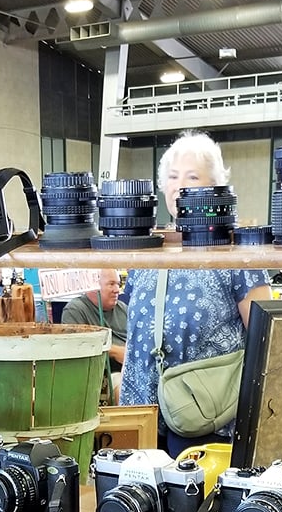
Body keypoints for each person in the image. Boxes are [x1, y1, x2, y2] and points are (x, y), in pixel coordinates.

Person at [119, 131, 271, 455]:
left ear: (214, 185)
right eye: (172, 177)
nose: (179, 185)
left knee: (197, 502)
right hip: (142, 413)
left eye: (192, 176)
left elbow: (266, 340)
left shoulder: (234, 253)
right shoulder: (147, 250)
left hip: (205, 414)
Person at [61, 269, 127, 400]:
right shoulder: (75, 310)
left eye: (118, 284)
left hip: (131, 370)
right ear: (93, 286)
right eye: (111, 284)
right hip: (102, 375)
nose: (116, 290)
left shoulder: (123, 308)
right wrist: (115, 351)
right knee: (124, 389)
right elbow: (77, 344)